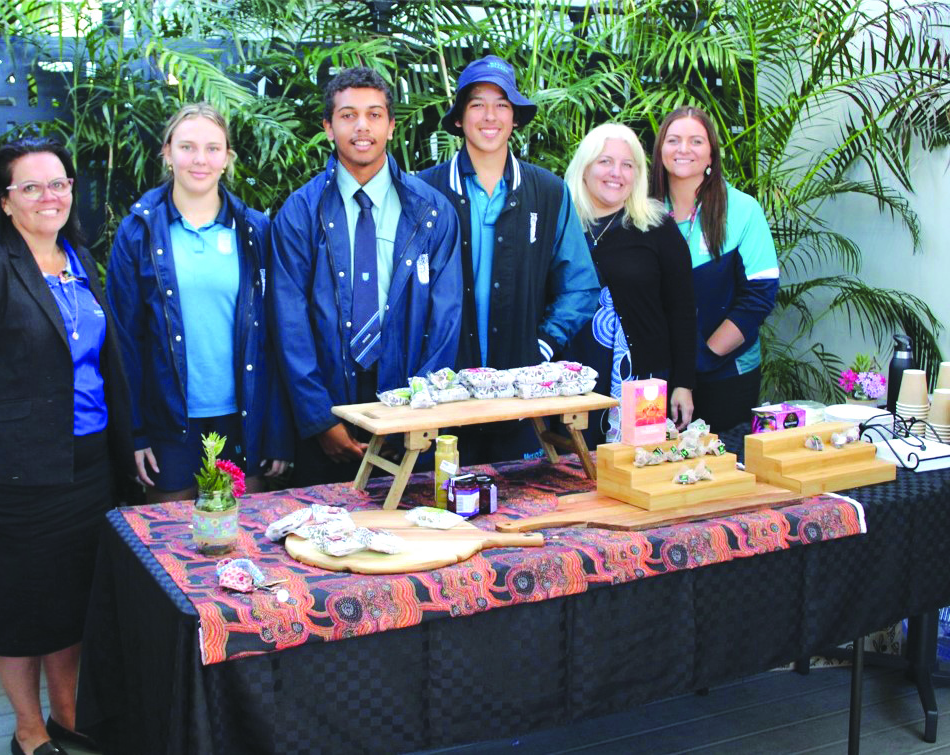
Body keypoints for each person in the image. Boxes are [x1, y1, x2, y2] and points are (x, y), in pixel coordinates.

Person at [0, 137, 134, 755]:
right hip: (9, 477)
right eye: (32, 186)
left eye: (59, 184)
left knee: (69, 598)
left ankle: (67, 712)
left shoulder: (79, 260)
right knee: (16, 605)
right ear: (6, 201)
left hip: (86, 465)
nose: (50, 196)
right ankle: (29, 729)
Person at [269, 67, 461, 488]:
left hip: (410, 416)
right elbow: (289, 325)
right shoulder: (300, 213)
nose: (362, 127)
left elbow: (446, 319)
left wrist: (415, 414)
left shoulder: (431, 211)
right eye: (348, 115)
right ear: (327, 126)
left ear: (391, 127)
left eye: (374, 115)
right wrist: (321, 420)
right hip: (329, 414)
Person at [106, 103, 292, 502]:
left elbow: (275, 339)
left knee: (246, 540)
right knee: (171, 548)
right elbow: (124, 340)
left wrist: (276, 430)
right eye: (187, 147)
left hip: (243, 418)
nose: (200, 159)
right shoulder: (138, 230)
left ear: (227, 158)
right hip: (168, 423)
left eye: (212, 148)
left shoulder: (255, 229)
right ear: (167, 153)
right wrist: (134, 431)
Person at [418, 55, 598, 462]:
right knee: (441, 506)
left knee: (522, 506)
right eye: (477, 104)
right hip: (443, 391)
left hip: (521, 394)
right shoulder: (425, 192)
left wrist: (544, 345)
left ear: (515, 118)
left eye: (502, 104)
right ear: (460, 119)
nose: (490, 116)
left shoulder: (547, 191)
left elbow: (581, 285)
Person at [563, 123, 696, 445]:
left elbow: (682, 311)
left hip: (644, 382)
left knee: (640, 471)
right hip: (568, 384)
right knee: (568, 474)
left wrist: (683, 384)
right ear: (585, 167)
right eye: (605, 161)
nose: (616, 173)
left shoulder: (657, 226)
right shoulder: (560, 226)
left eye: (628, 165)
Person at [650, 106, 779, 432]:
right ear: (660, 150)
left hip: (726, 372)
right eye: (673, 140)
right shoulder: (642, 210)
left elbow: (759, 297)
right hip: (656, 378)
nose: (683, 149)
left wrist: (700, 360)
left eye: (696, 141)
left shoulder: (742, 209)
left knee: (720, 468)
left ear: (711, 155)